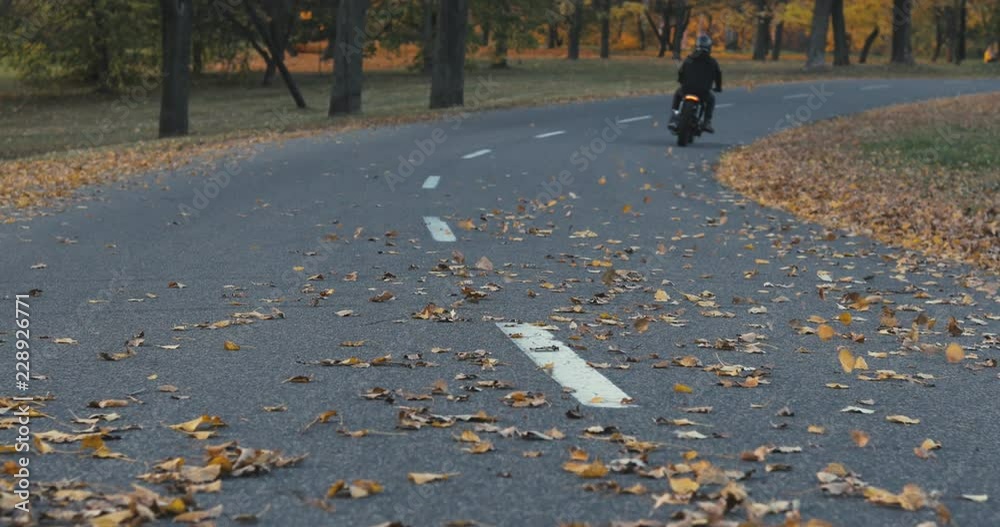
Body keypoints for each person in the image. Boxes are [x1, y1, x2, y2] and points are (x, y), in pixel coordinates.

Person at [669, 35, 722, 133]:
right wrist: (718, 87)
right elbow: (718, 75)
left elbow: (681, 71)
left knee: (677, 94)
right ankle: (707, 122)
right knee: (711, 100)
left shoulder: (689, 59)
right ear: (709, 47)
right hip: (703, 92)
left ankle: (674, 116)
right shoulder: (712, 62)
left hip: (686, 89)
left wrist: (681, 81)